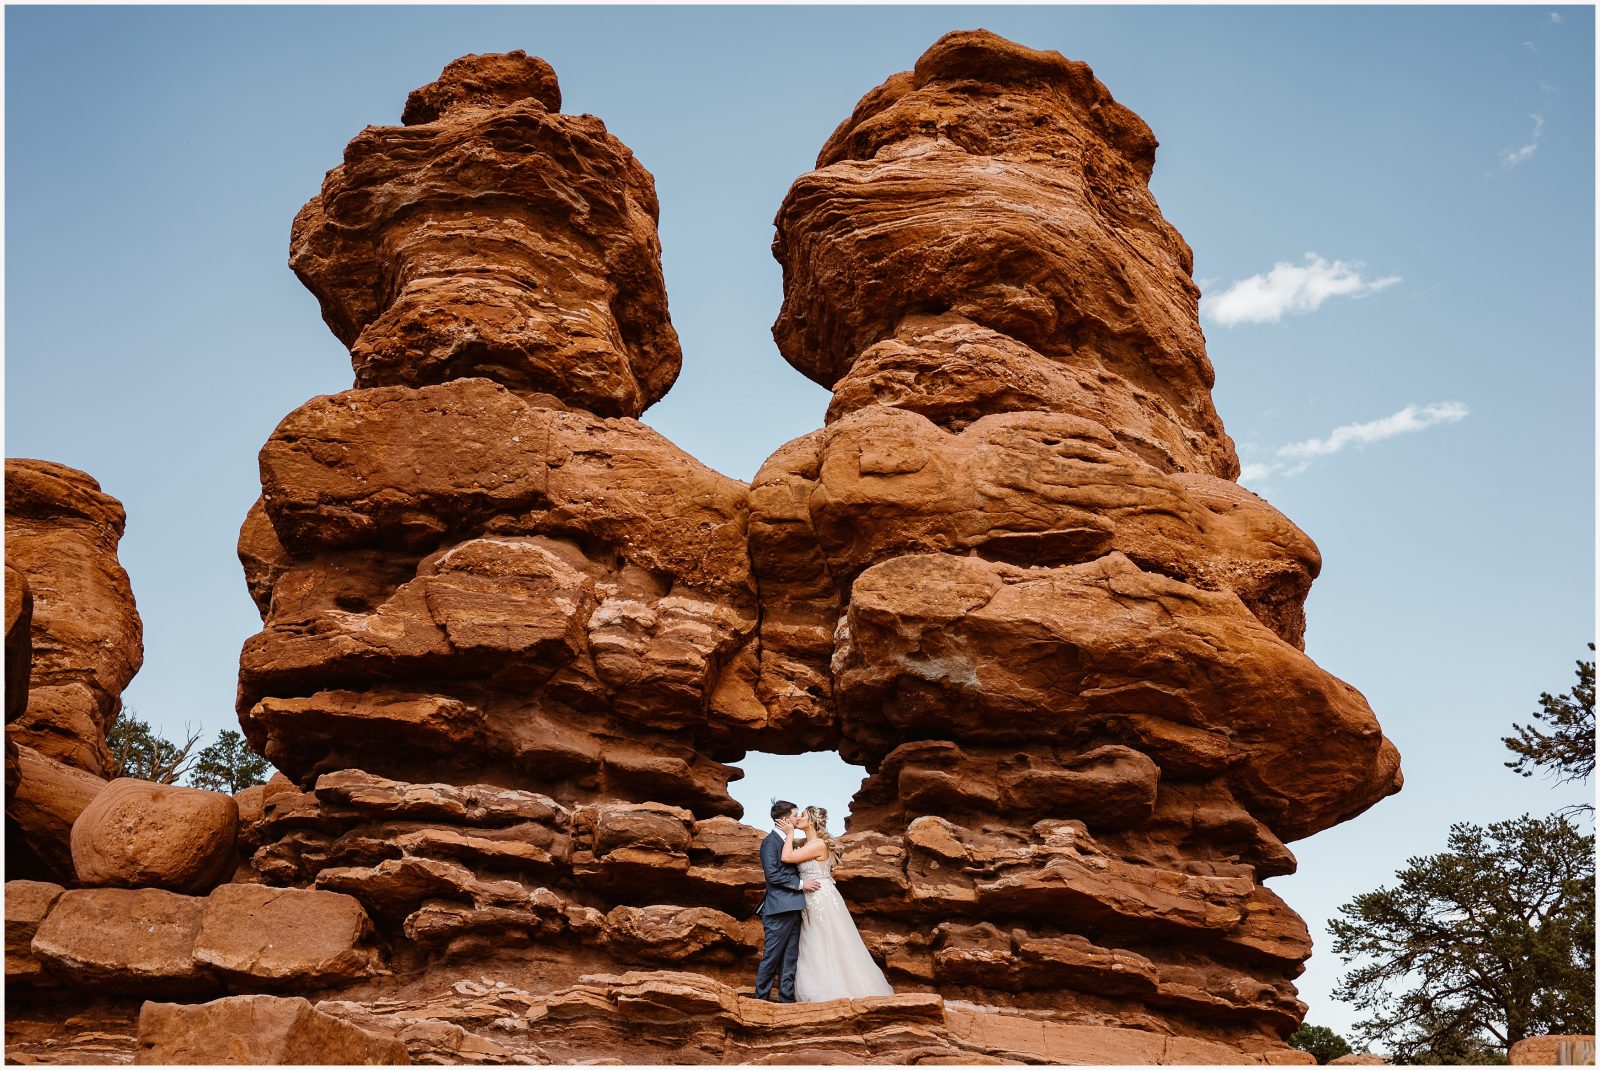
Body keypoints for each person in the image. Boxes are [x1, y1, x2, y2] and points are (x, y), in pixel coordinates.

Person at [781, 804, 894, 1001]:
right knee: (812, 939)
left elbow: (787, 856)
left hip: (821, 897)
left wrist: (789, 832)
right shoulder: (806, 843)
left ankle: (834, 989)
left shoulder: (818, 845)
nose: (798, 818)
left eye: (803, 815)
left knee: (826, 938)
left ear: (813, 821)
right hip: (810, 897)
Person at [752, 799, 820, 1003]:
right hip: (778, 910)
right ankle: (760, 1000)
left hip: (795, 907)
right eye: (794, 815)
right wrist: (801, 884)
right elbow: (772, 875)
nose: (797, 818)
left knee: (790, 958)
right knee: (771, 957)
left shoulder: (788, 842)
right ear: (784, 819)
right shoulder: (770, 843)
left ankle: (786, 1000)